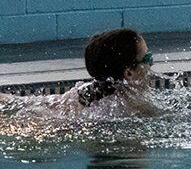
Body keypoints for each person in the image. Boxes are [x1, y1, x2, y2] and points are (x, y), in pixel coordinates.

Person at [0, 28, 158, 117]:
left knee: (19, 101)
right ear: (128, 73)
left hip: (53, 110)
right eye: (148, 59)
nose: (152, 64)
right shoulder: (125, 108)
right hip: (49, 120)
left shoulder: (88, 90)